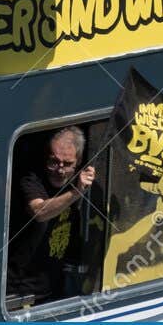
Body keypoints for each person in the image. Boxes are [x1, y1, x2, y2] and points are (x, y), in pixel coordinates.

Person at [8, 126, 98, 306]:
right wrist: (76, 193)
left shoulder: (80, 177)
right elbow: (39, 212)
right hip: (20, 291)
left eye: (67, 164)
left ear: (78, 161)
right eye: (53, 162)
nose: (60, 170)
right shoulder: (31, 178)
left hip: (56, 283)